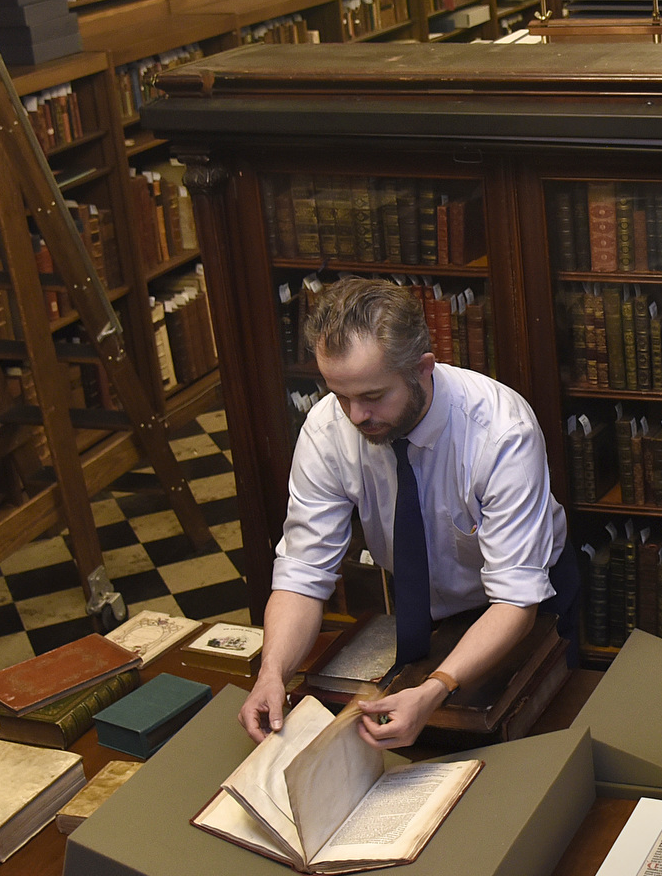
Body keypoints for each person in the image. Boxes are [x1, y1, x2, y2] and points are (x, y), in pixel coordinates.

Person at [238, 278, 568, 749]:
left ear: (423, 369)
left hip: (520, 608)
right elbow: (302, 574)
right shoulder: (327, 429)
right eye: (339, 395)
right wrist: (272, 673)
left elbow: (515, 599)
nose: (355, 416)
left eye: (373, 396)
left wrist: (435, 688)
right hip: (419, 609)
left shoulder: (500, 432)